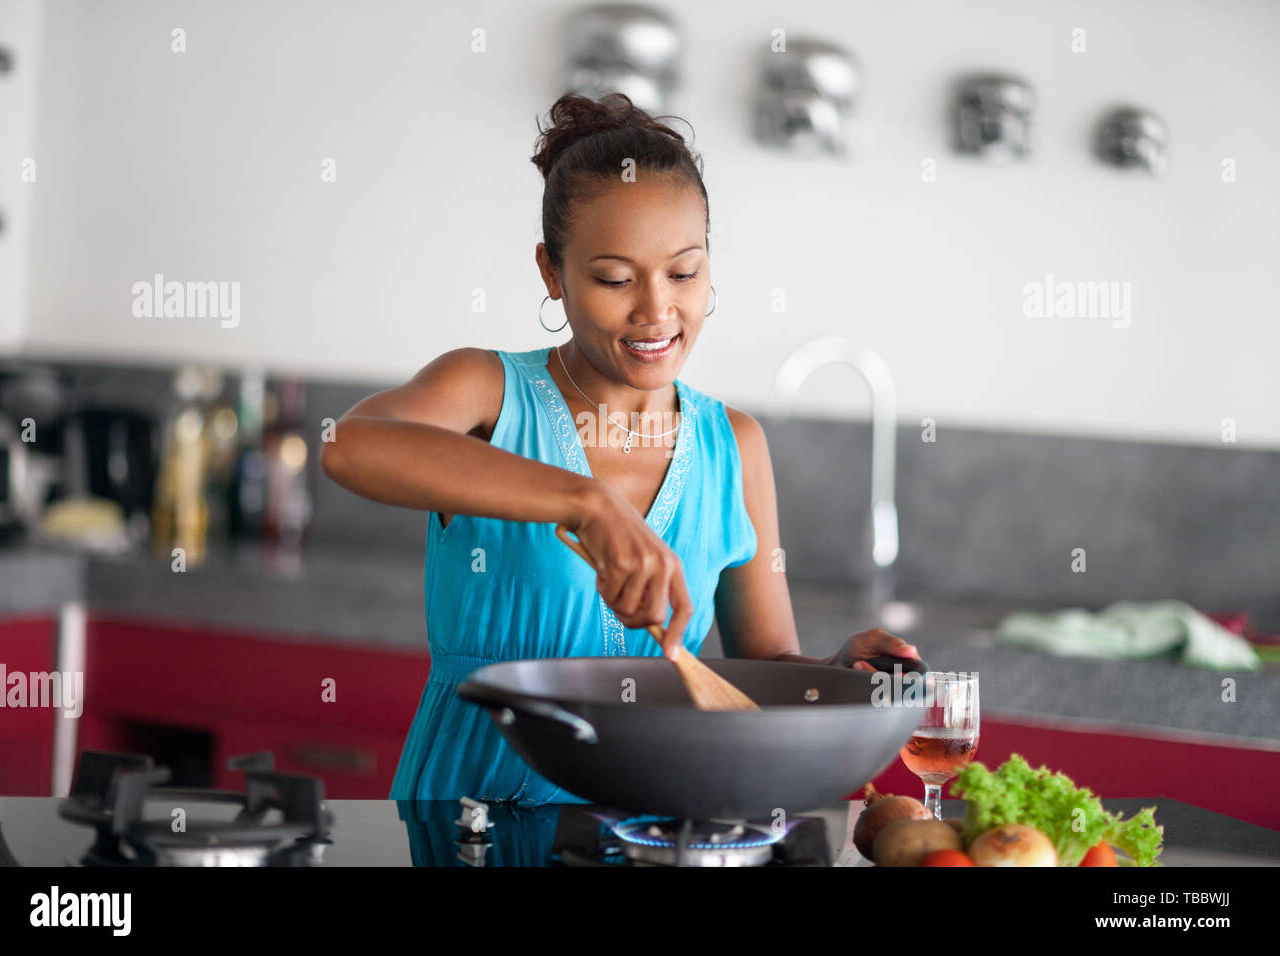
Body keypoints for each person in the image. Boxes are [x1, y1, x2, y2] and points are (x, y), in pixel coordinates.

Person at [321, 92, 923, 804]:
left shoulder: (734, 445)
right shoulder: (486, 393)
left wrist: (830, 674)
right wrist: (585, 503)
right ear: (553, 273)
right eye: (614, 278)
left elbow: (760, 667)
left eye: (684, 272)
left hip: (653, 829)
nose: (656, 309)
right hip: (474, 820)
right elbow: (349, 445)